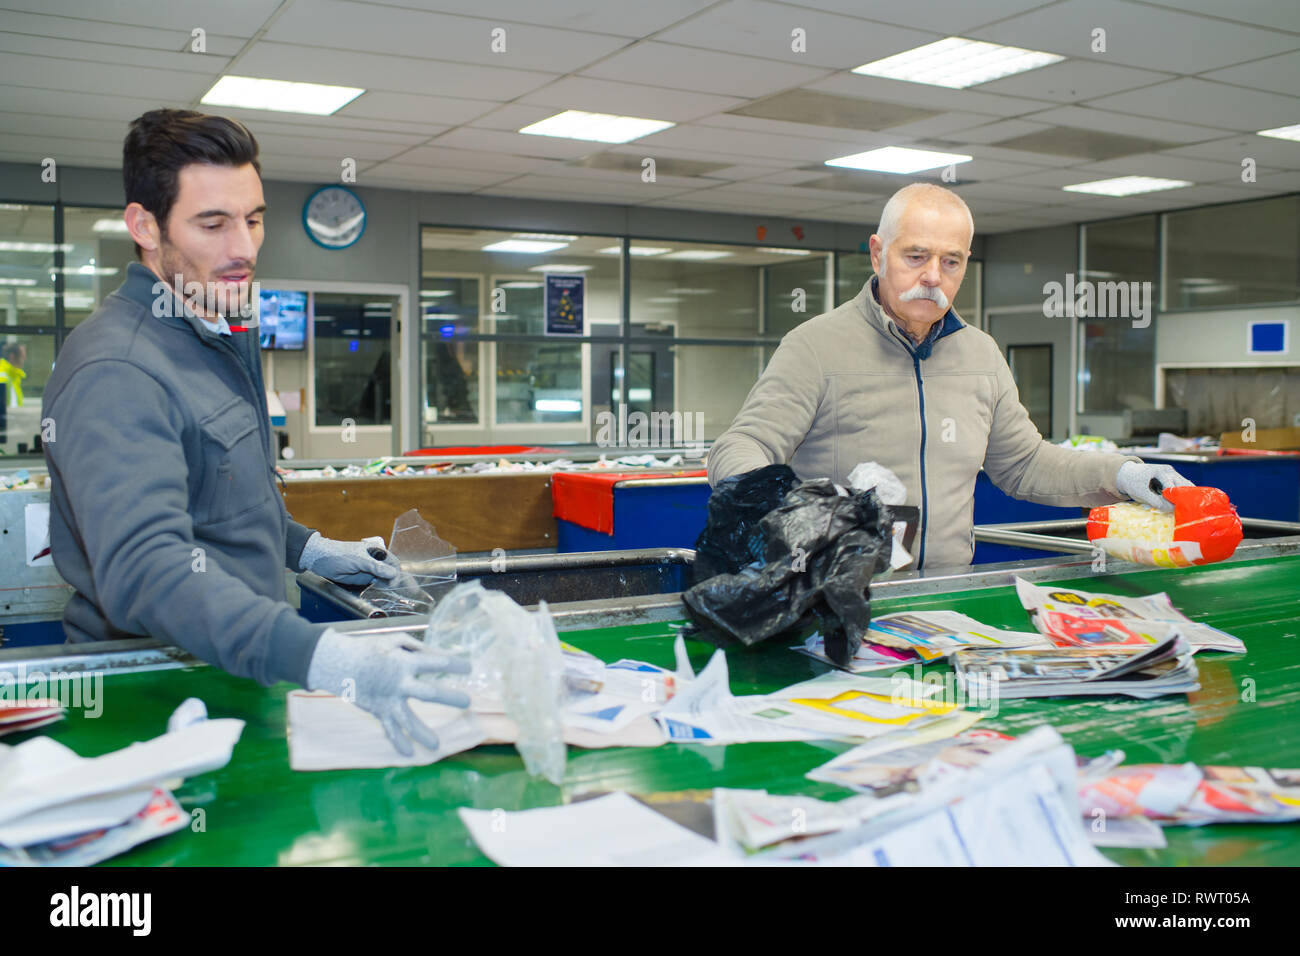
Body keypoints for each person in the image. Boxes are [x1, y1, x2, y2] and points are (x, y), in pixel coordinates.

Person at [42, 109, 468, 754]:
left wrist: (309, 549)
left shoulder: (216, 331)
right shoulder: (117, 368)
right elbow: (146, 569)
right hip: (155, 704)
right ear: (145, 227)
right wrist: (322, 657)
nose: (242, 247)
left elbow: (218, 499)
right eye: (213, 224)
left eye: (254, 219)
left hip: (239, 678)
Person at [708, 182, 1190, 570]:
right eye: (915, 256)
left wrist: (1124, 474)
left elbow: (1024, 464)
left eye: (951, 261)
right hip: (832, 599)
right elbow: (741, 446)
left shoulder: (981, 355)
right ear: (878, 254)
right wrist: (794, 505)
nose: (933, 276)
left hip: (943, 600)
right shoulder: (815, 346)